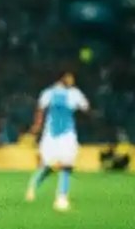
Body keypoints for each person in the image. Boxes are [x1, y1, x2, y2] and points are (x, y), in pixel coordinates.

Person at [25, 71, 90, 211]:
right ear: (62, 77)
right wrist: (36, 126)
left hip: (67, 135)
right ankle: (33, 185)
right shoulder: (49, 92)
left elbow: (85, 108)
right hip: (51, 135)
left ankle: (61, 197)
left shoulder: (74, 93)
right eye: (69, 77)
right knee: (48, 166)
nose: (72, 80)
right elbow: (40, 110)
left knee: (66, 166)